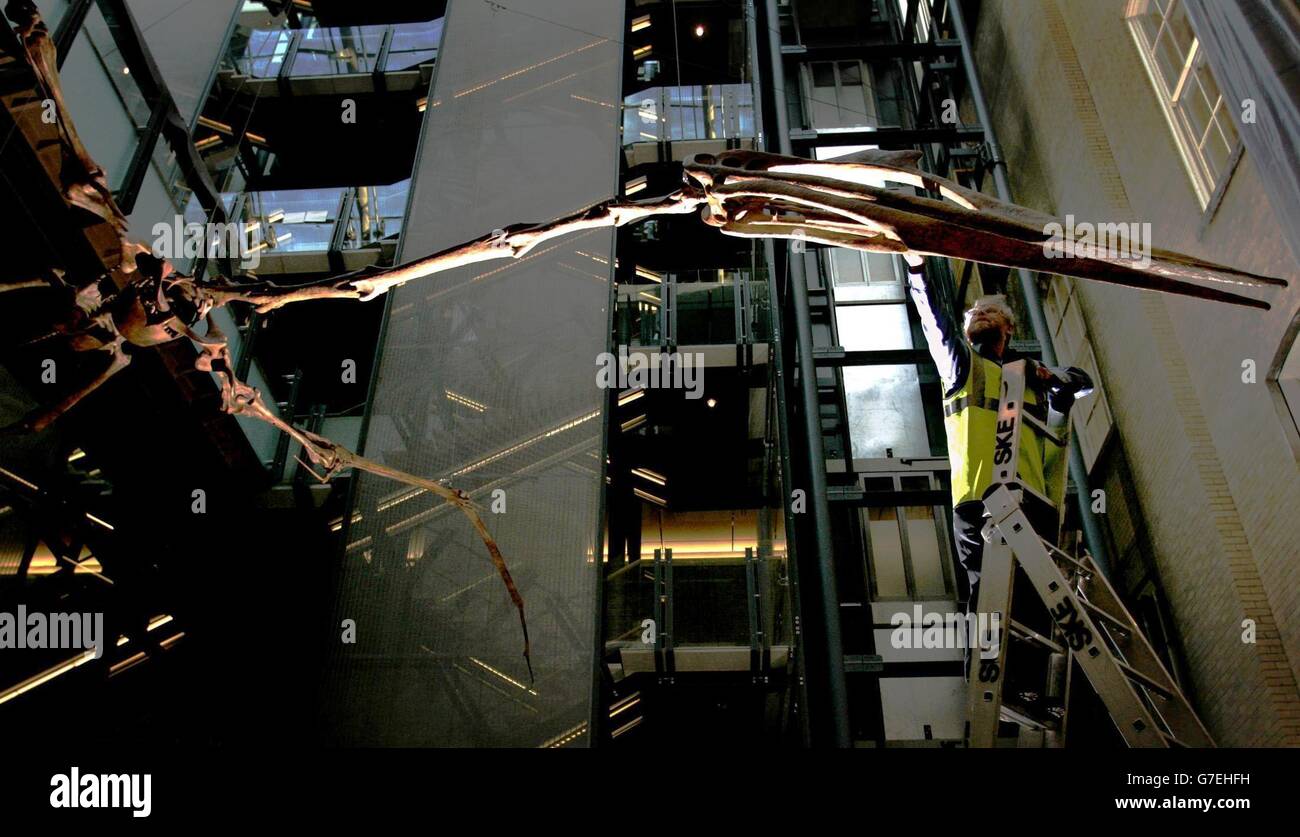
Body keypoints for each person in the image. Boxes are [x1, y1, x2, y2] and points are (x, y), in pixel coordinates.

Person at [904, 256, 1093, 617]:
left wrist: (1050, 376)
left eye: (989, 310)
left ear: (1009, 328)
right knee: (988, 607)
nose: (979, 313)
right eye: (974, 313)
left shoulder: (1032, 382)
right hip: (980, 503)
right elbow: (936, 325)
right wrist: (917, 270)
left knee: (1036, 613)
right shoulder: (963, 369)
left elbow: (1082, 383)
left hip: (1032, 503)